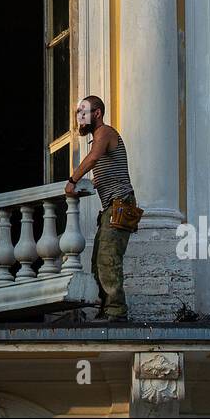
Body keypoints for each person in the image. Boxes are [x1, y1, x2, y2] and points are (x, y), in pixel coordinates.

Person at [64, 95, 136, 321]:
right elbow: (104, 167)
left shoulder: (105, 132)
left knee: (108, 259)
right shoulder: (99, 138)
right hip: (112, 207)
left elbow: (93, 159)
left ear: (97, 113)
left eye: (84, 113)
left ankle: (116, 312)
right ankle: (107, 309)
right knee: (98, 260)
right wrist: (94, 183)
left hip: (121, 204)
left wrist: (73, 180)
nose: (80, 118)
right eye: (78, 114)